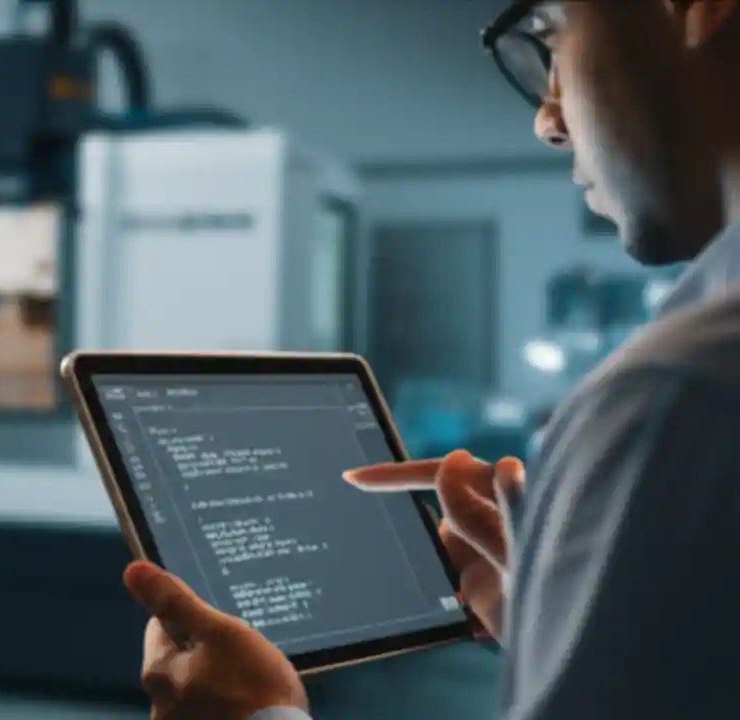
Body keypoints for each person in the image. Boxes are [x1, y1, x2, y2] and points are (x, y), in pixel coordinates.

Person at [122, 1, 740, 718]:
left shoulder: (683, 396)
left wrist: (258, 715)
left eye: (551, 37)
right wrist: (567, 622)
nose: (548, 120)